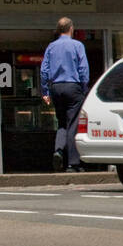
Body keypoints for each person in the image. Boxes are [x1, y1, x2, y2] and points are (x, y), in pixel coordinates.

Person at [40, 17, 89, 172]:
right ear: (71, 29)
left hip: (56, 87)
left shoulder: (51, 47)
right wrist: (84, 88)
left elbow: (43, 70)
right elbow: (83, 69)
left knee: (61, 123)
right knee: (73, 124)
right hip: (73, 86)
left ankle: (58, 150)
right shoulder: (77, 45)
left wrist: (45, 91)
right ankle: (73, 163)